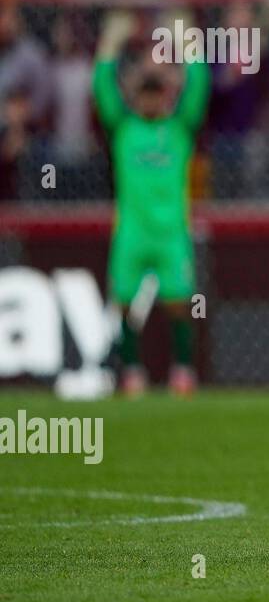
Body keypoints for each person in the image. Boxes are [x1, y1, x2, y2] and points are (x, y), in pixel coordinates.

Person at [93, 24, 210, 398]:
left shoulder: (178, 130)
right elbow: (103, 92)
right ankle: (131, 371)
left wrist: (190, 46)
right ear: (136, 97)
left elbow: (198, 91)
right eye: (145, 95)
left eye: (157, 94)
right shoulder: (124, 130)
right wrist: (109, 50)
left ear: (165, 97)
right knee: (125, 303)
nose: (151, 102)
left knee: (179, 303)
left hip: (172, 232)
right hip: (131, 231)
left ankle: (183, 370)